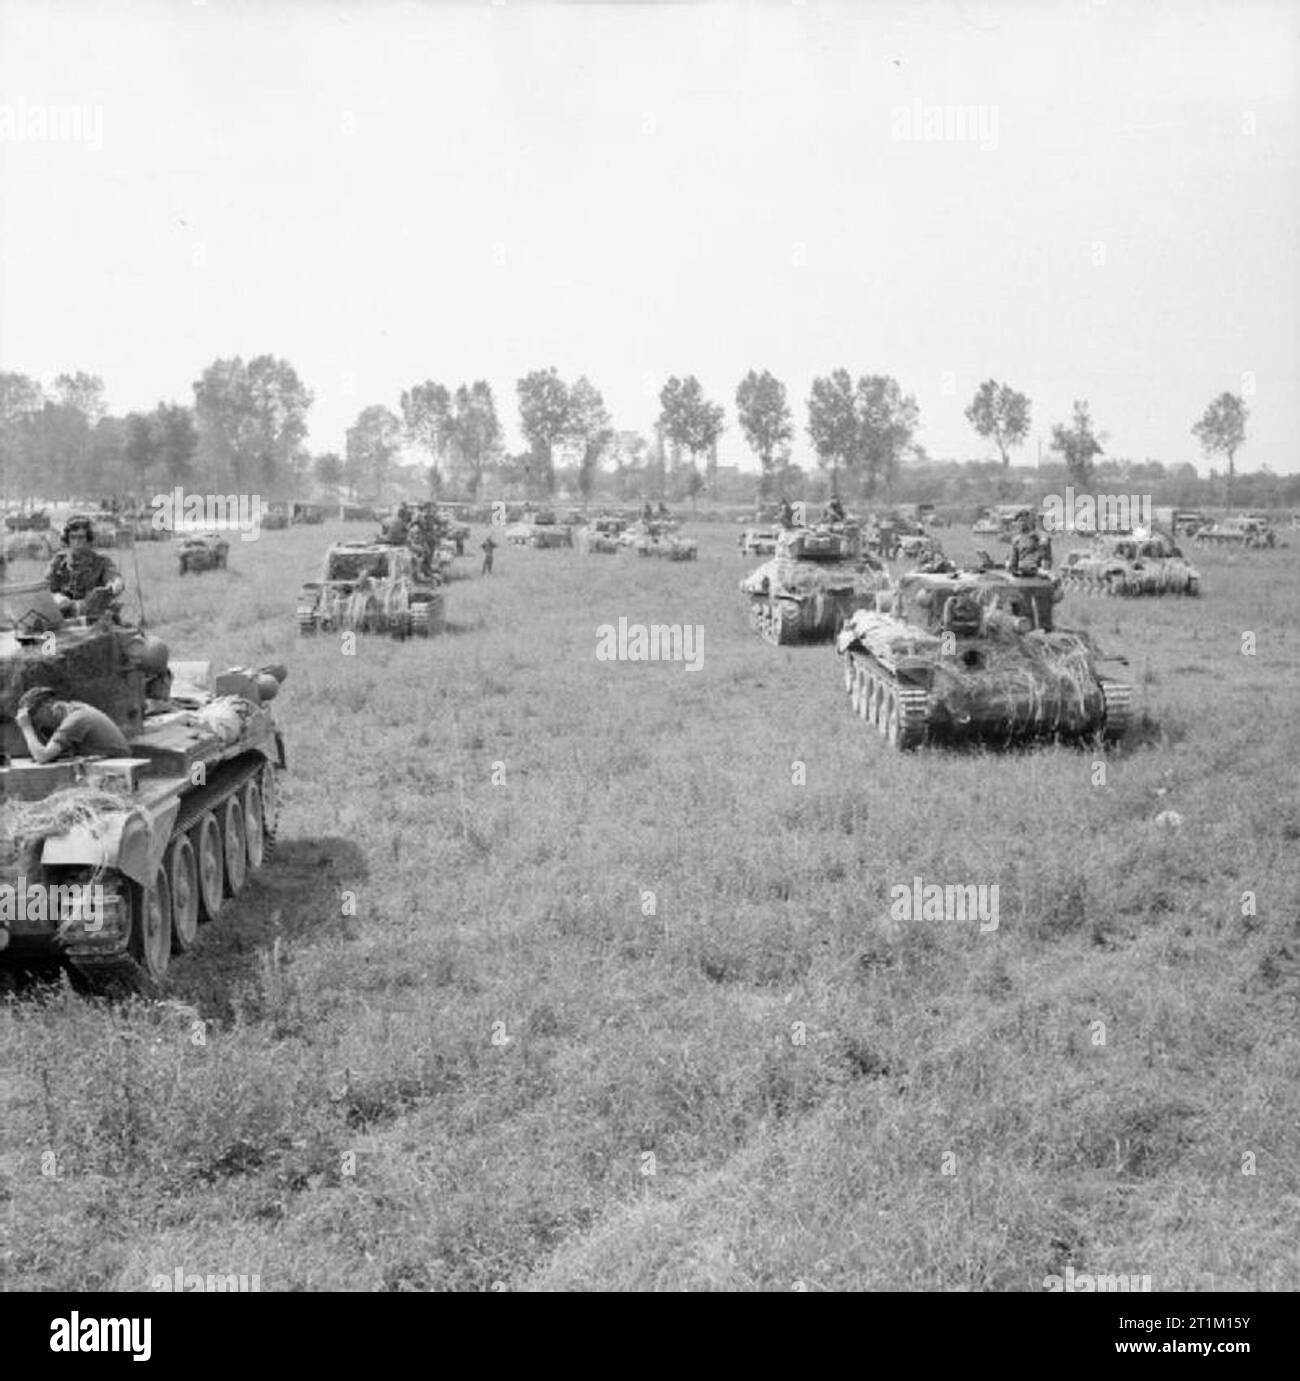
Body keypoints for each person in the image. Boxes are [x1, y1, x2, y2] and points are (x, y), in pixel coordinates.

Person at [13, 686, 131, 763]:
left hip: (117, 766)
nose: (34, 720)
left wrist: (26, 727)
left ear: (47, 705)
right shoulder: (69, 711)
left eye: (33, 714)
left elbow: (42, 756)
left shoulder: (75, 719)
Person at [45, 517, 124, 616]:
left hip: (92, 615)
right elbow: (45, 587)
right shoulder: (58, 561)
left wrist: (116, 583)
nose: (77, 542)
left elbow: (113, 577)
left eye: (81, 537)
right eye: (73, 537)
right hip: (63, 615)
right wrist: (57, 597)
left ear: (88, 539)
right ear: (67, 539)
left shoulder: (101, 562)